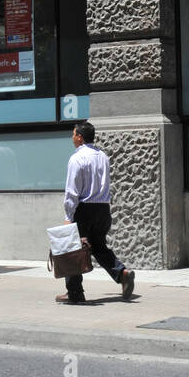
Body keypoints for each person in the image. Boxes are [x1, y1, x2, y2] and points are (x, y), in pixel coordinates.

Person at [57, 121, 135, 304]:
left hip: (84, 209)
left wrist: (68, 216)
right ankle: (122, 273)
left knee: (74, 250)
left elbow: (72, 191)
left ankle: (75, 293)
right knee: (98, 246)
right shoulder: (103, 157)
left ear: (79, 137)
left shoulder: (76, 158)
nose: (72, 137)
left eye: (73, 134)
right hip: (102, 209)